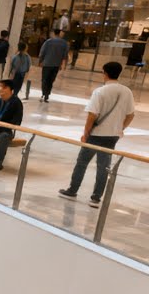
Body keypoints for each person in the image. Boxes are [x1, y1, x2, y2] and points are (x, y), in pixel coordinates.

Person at [58, 62, 135, 207]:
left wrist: (86, 133)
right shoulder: (127, 91)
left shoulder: (100, 91)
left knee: (82, 163)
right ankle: (96, 198)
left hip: (96, 134)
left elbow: (92, 115)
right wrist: (120, 128)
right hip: (112, 136)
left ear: (104, 73)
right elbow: (131, 115)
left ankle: (72, 189)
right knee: (104, 166)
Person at [38, 29, 69, 103]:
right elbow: (65, 55)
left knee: (44, 79)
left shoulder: (48, 41)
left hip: (47, 64)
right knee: (51, 80)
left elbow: (42, 52)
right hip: (56, 65)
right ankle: (47, 95)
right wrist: (63, 64)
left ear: (53, 33)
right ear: (60, 33)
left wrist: (40, 61)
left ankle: (44, 93)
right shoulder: (64, 43)